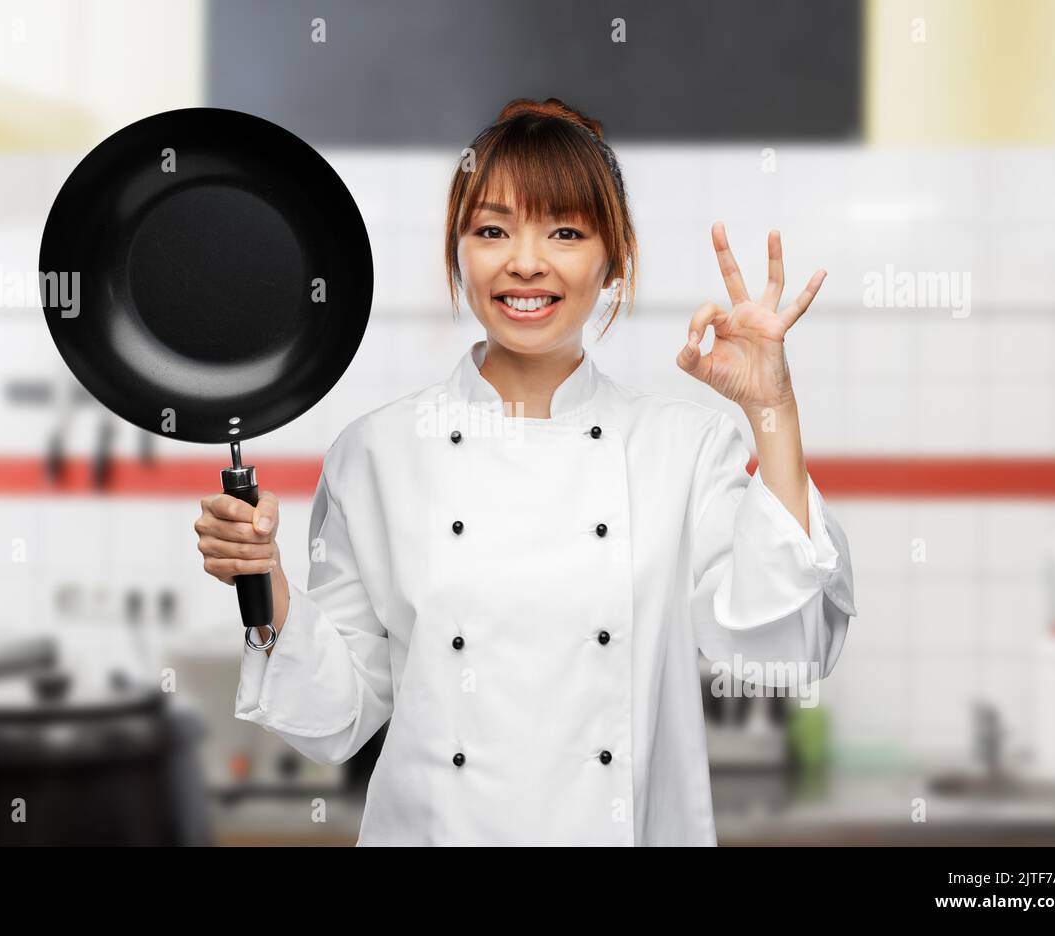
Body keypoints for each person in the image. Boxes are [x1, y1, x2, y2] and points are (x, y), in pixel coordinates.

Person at [194, 97, 857, 846]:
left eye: (566, 232)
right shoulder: (377, 452)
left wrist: (772, 407)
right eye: (492, 230)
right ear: (459, 252)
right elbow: (337, 717)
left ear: (615, 260)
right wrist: (268, 585)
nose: (526, 262)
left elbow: (787, 651)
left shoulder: (682, 447)